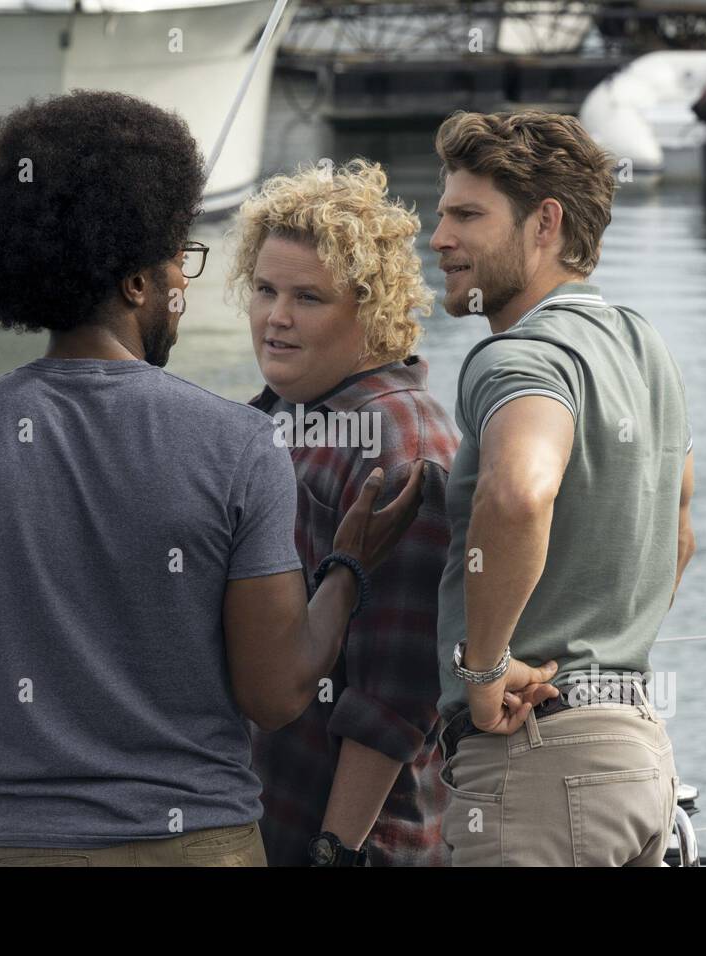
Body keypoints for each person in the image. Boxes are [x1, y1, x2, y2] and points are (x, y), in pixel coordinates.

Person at [0, 90, 424, 867]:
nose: (185, 289)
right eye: (180, 263)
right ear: (138, 284)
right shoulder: (239, 443)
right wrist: (347, 571)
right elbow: (276, 694)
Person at [429, 110, 697, 866]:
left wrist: (482, 670)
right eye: (442, 213)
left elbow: (519, 493)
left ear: (544, 223)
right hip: (636, 754)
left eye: (466, 215)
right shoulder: (647, 348)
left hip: (539, 762)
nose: (439, 238)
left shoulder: (519, 356)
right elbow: (679, 533)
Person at [228, 159, 459, 866]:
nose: (277, 317)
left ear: (373, 307)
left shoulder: (400, 443)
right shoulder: (278, 418)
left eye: (309, 298)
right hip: (259, 815)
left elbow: (399, 692)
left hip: (358, 843)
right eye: (264, 290)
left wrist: (335, 849)